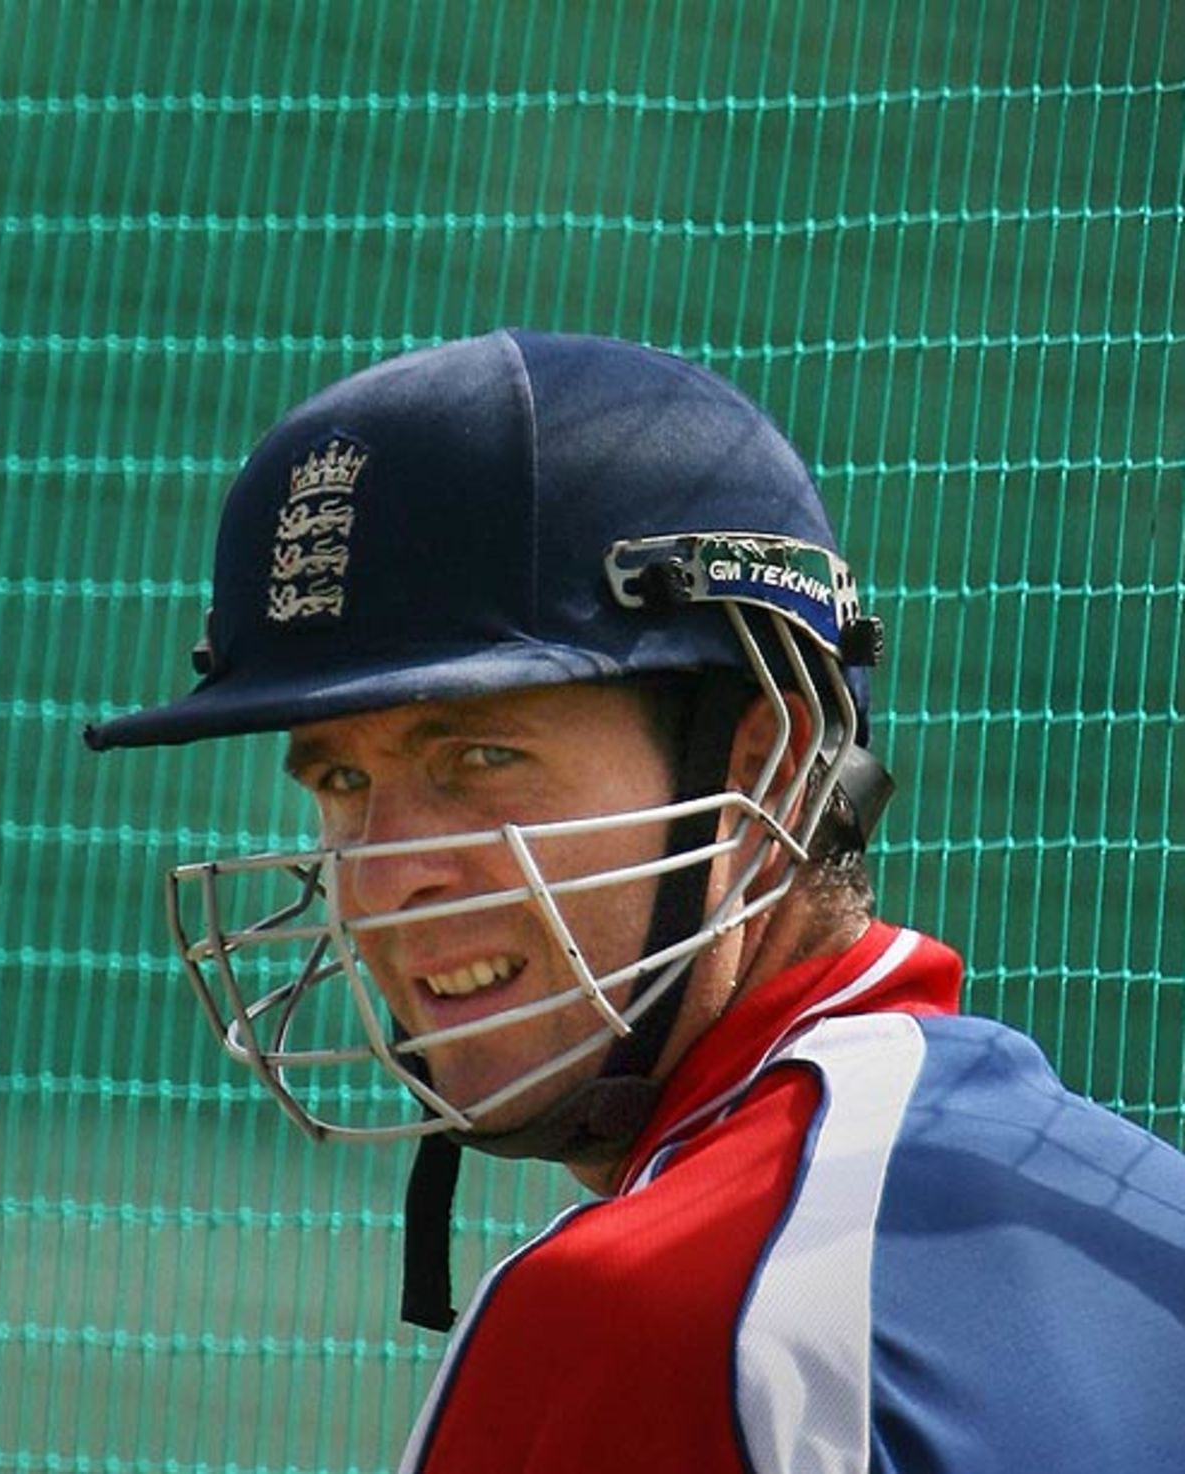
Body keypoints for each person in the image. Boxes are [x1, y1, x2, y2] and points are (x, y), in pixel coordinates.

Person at [86, 330, 1185, 1473]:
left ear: (768, 762)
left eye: (479, 756)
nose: (383, 871)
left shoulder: (654, 1313)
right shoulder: (1147, 1226)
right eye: (345, 781)